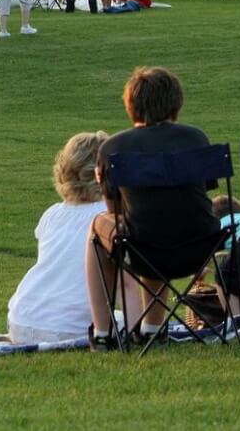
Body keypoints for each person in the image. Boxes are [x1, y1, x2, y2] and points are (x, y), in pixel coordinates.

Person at [84, 68, 222, 348]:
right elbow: (200, 194)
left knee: (100, 228)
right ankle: (152, 328)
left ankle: (103, 332)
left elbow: (114, 209)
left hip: (146, 250)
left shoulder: (114, 147)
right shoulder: (195, 138)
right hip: (200, 246)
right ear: (176, 103)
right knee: (160, 222)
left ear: (131, 105)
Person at [6, 131, 112, 344]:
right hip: (69, 328)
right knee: (119, 320)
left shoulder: (53, 213)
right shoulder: (107, 218)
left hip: (22, 319)